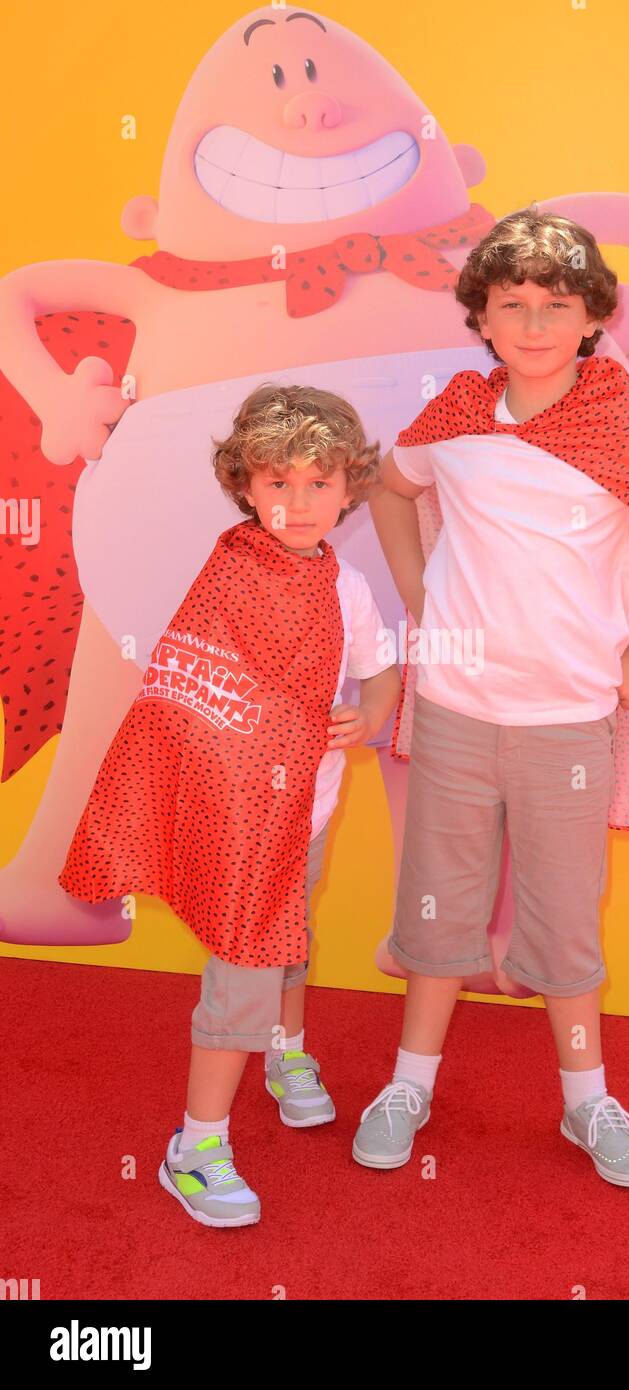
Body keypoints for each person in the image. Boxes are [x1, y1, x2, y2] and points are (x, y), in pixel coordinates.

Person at [359, 207, 629, 1187]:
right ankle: (410, 1081)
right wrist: (422, 596)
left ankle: (587, 1101)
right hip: (457, 708)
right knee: (436, 907)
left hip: (569, 725)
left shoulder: (624, 422)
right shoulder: (455, 415)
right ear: (484, 318)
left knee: (564, 919)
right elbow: (387, 486)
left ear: (593, 320)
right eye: (514, 305)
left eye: (558, 305)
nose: (536, 323)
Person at [59, 383, 402, 1226]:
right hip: (237, 817)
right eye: (276, 482)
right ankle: (196, 1144)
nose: (296, 503)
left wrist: (375, 712)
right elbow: (185, 688)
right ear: (244, 486)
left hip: (308, 809)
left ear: (348, 488)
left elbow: (382, 667)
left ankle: (286, 1053)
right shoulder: (230, 571)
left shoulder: (348, 586)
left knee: (287, 943)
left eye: (317, 483)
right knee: (242, 969)